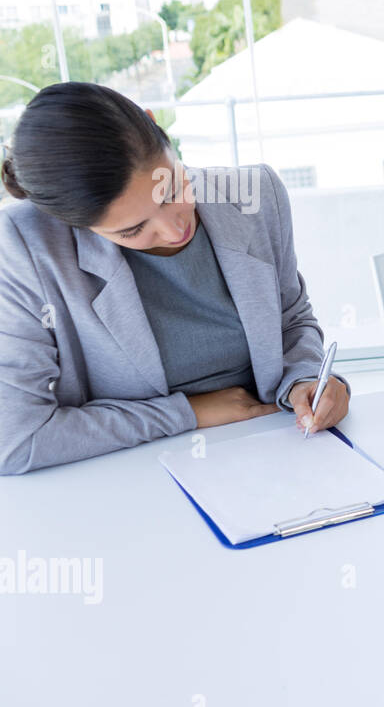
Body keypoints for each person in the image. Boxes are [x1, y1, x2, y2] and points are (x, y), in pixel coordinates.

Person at [0, 82, 348, 475]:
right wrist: (187, 414)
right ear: (71, 223)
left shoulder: (256, 194)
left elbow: (290, 319)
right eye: (132, 230)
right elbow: (14, 440)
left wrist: (305, 380)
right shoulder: (23, 246)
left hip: (278, 445)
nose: (174, 228)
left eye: (172, 189)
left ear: (156, 127)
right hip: (135, 474)